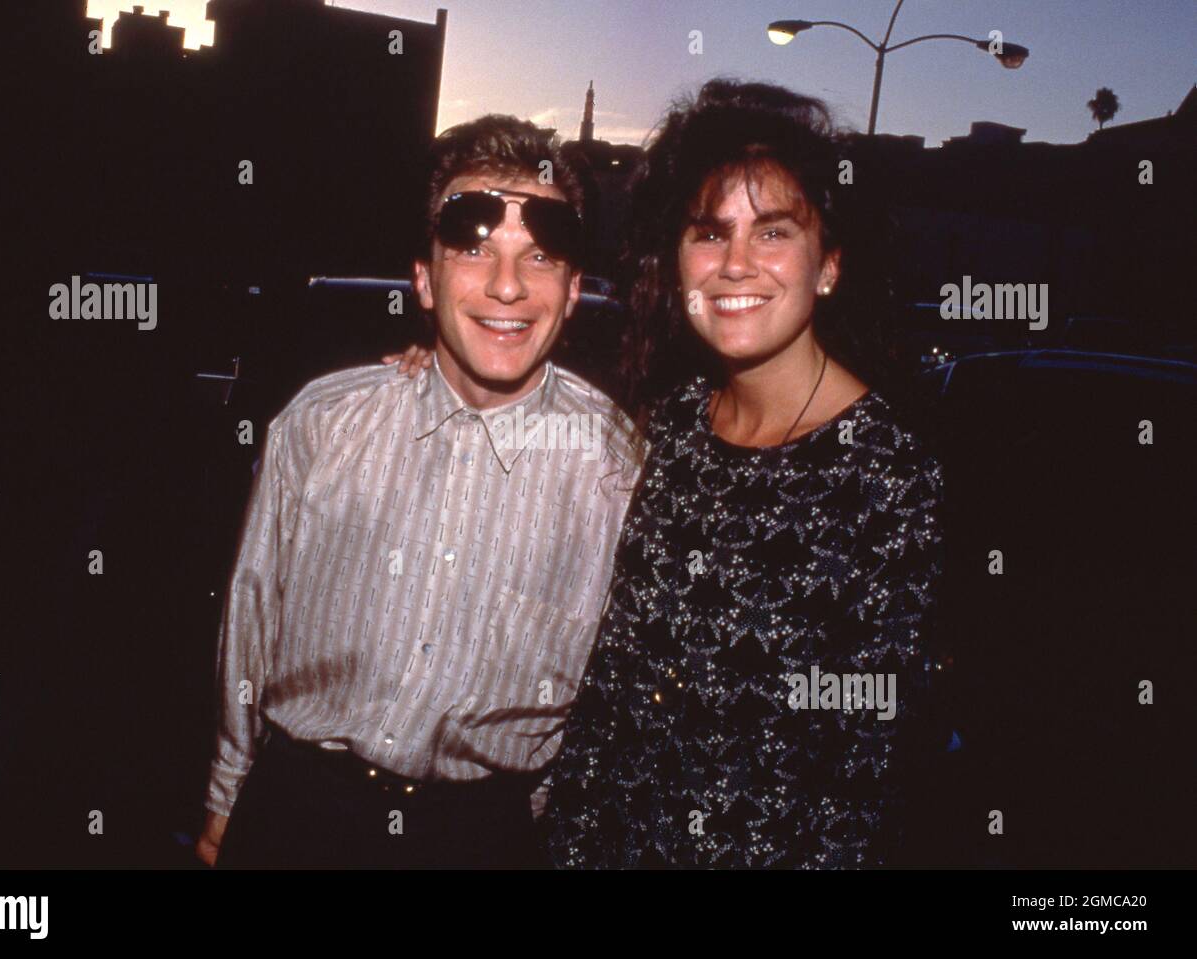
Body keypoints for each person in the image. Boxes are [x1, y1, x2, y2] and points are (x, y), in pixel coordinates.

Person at [387, 78, 946, 867]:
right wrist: (427, 366)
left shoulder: (889, 477)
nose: (736, 265)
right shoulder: (673, 424)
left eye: (774, 231)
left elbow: (863, 781)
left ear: (828, 265)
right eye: (710, 233)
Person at [196, 114, 642, 868]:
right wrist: (227, 794)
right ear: (425, 281)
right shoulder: (323, 423)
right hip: (296, 812)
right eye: (473, 250)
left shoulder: (618, 469)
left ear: (572, 292)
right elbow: (252, 611)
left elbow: (612, 694)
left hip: (482, 836)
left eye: (538, 256)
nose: (507, 285)